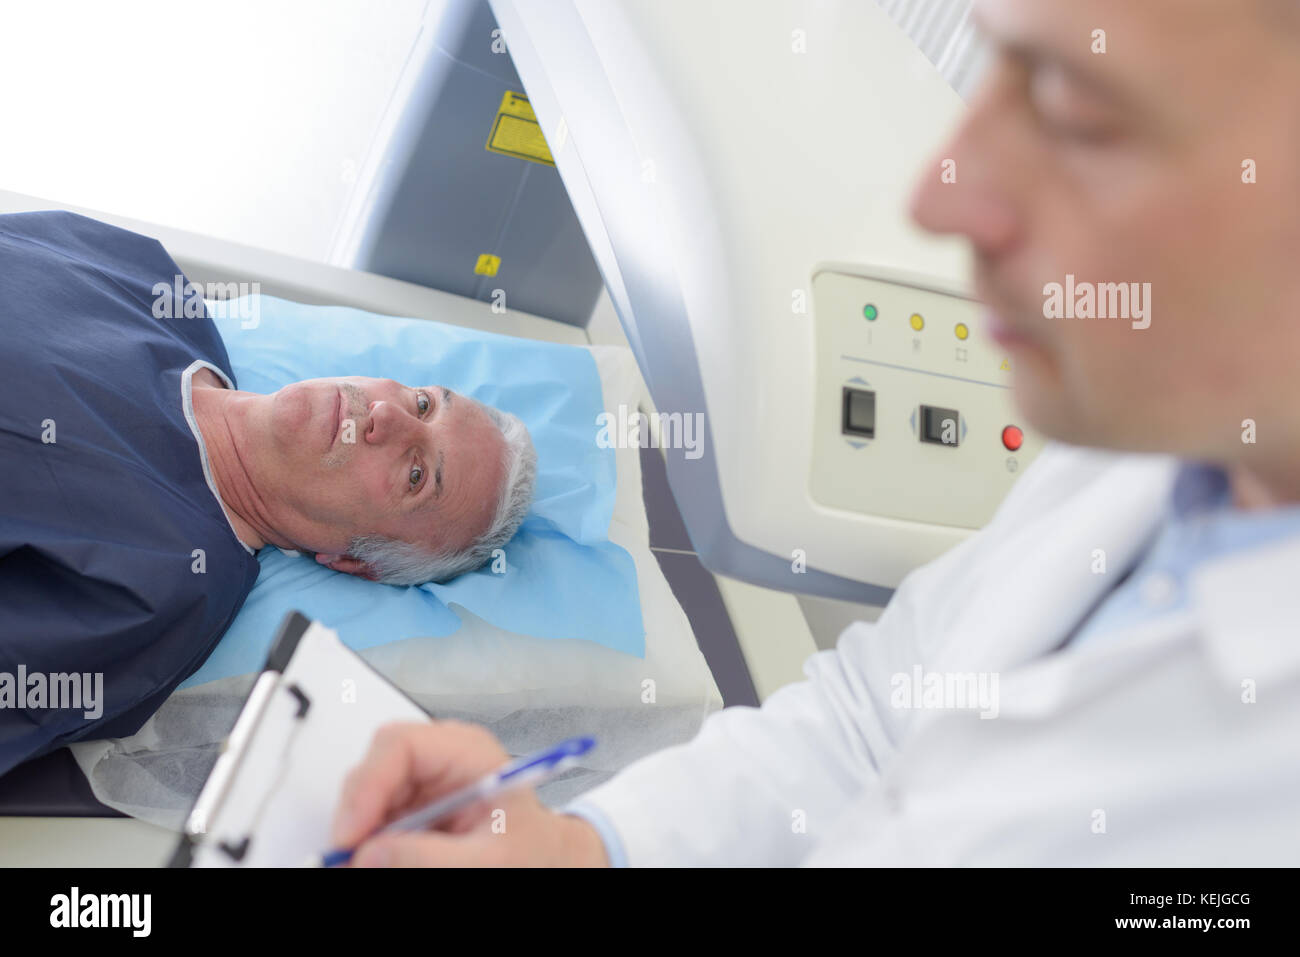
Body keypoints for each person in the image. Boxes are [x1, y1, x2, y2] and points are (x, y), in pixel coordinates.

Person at [329, 0, 1300, 866]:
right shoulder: (1141, 454)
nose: (938, 201)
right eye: (994, 60)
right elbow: (869, 721)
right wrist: (583, 848)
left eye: (1078, 114)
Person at [0, 210, 537, 775]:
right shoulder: (147, 282)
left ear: (352, 561)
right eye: (424, 404)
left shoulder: (154, 598)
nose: (385, 415)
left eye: (416, 476)